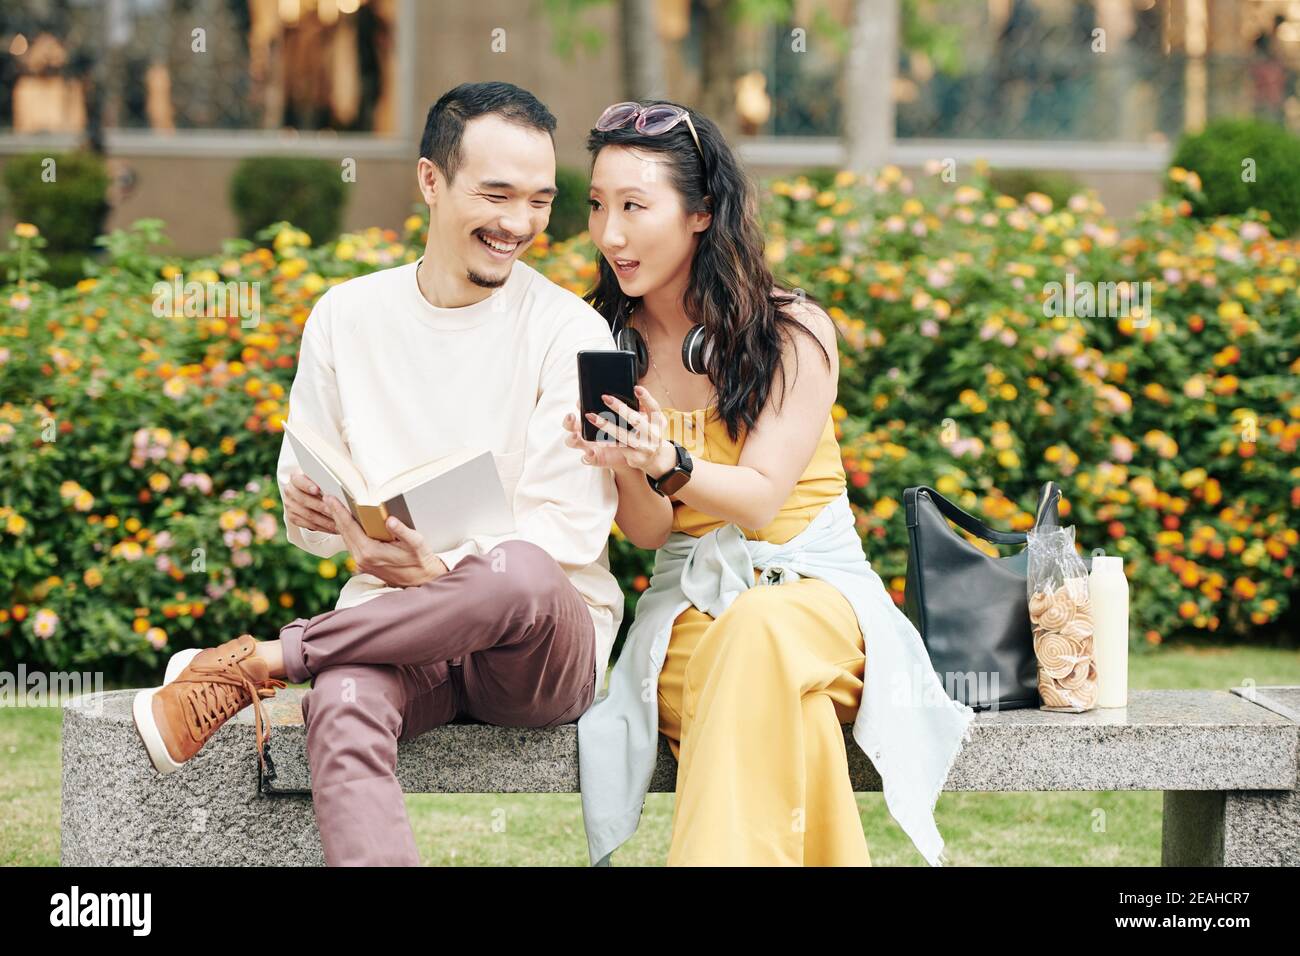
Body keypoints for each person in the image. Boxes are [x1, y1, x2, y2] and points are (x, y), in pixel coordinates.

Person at [131, 81, 625, 866]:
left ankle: (266, 658)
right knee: (344, 699)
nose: (520, 224)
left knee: (520, 568)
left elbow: (566, 533)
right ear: (430, 181)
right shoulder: (346, 316)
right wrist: (325, 521)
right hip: (395, 620)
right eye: (495, 195)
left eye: (539, 201)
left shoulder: (571, 330)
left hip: (533, 651)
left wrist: (443, 568)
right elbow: (314, 507)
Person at [566, 100, 976, 866]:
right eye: (596, 205)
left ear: (700, 214)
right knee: (790, 712)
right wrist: (625, 466)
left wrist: (669, 463)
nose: (609, 233)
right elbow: (652, 534)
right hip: (689, 615)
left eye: (633, 205)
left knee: (758, 629)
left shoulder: (793, 332)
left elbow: (760, 497)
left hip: (817, 601)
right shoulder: (601, 344)